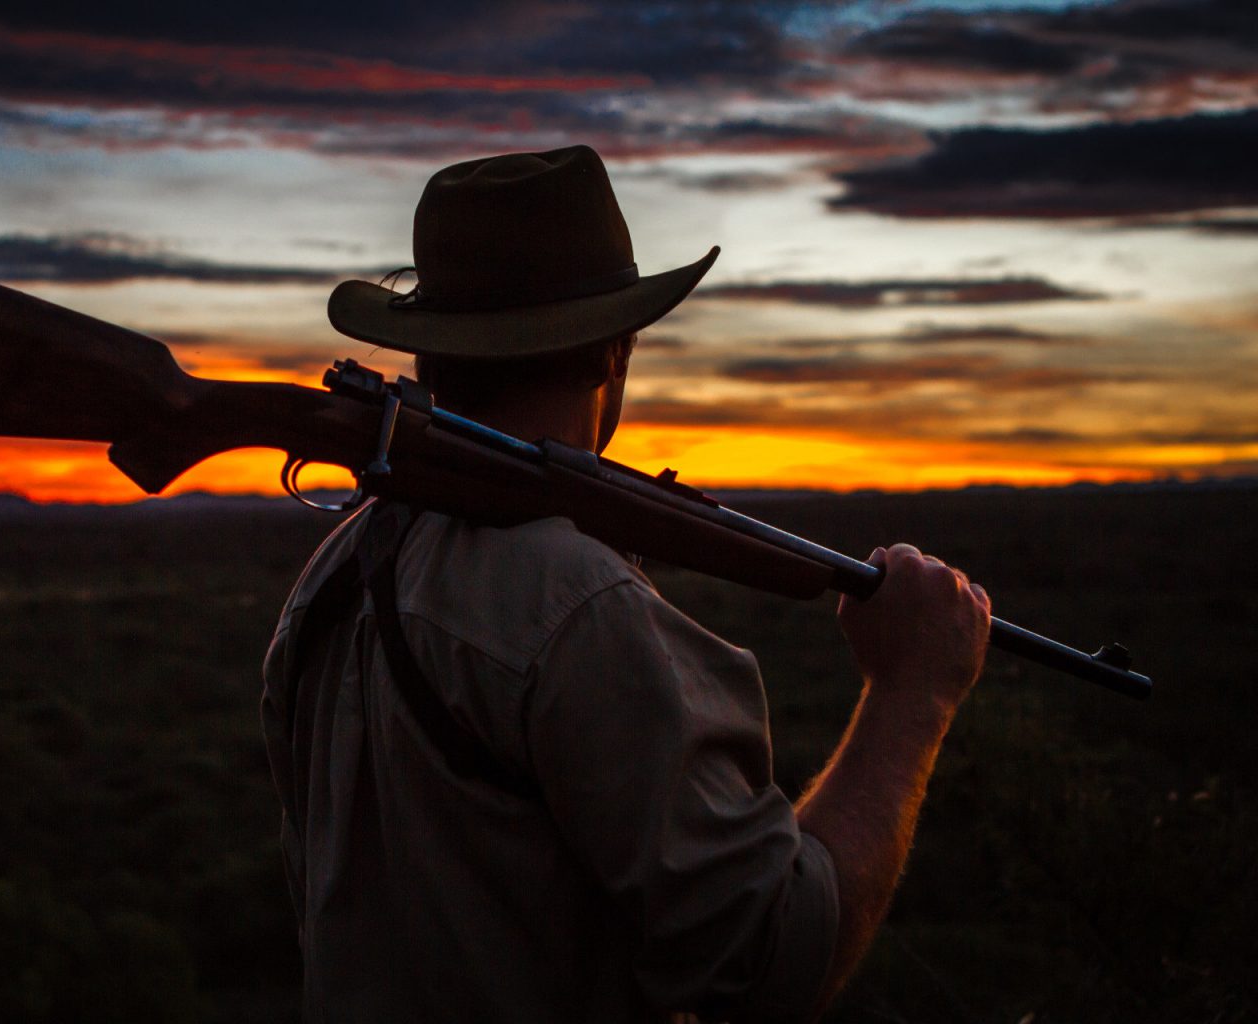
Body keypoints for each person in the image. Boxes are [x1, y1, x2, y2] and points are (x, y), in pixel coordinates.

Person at [262, 145, 991, 1022]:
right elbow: (772, 957)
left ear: (430, 353)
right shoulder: (579, 605)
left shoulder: (334, 569)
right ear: (615, 348)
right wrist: (911, 697)